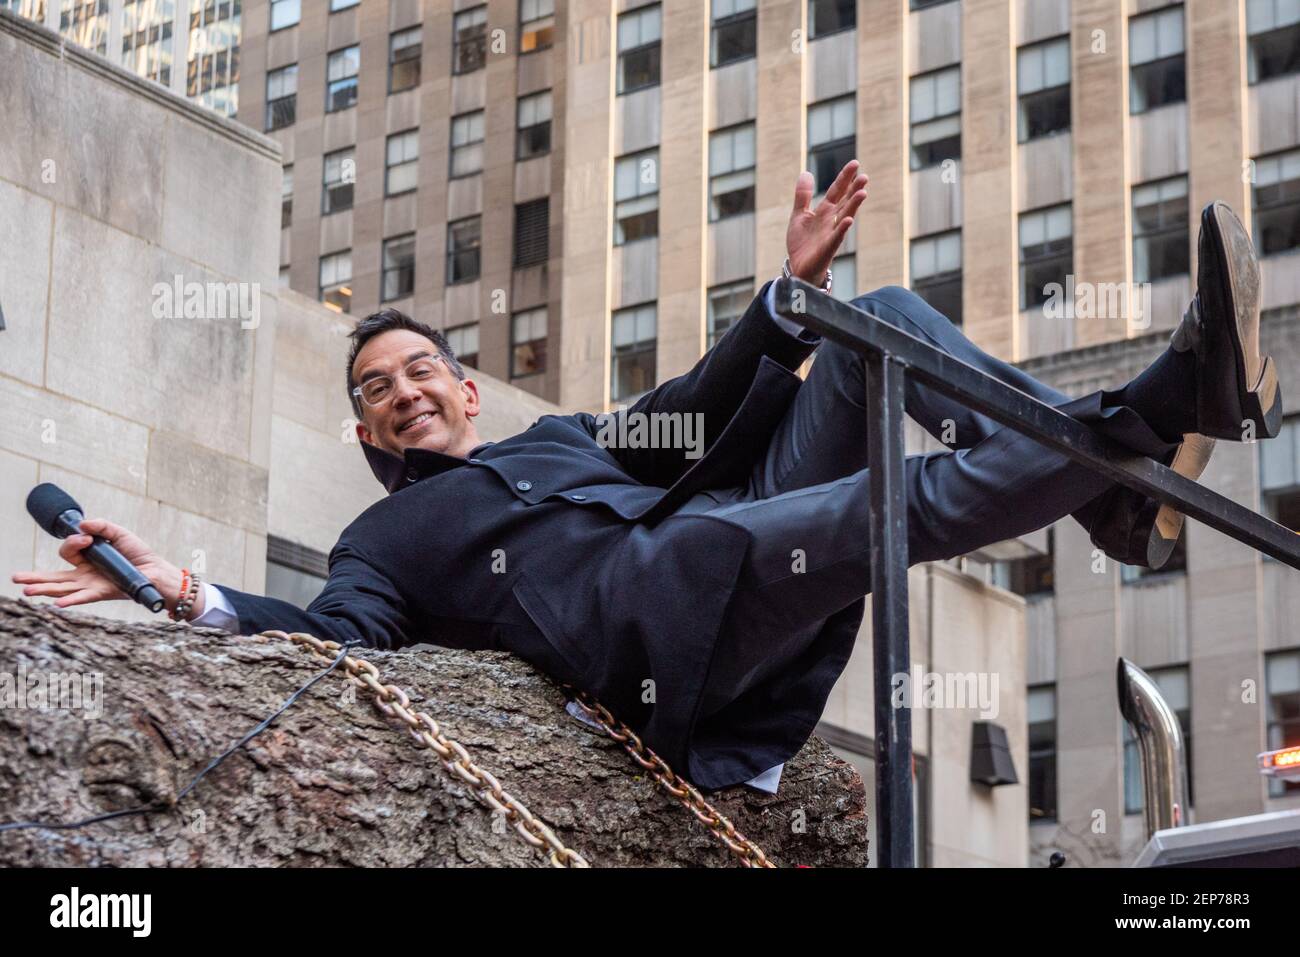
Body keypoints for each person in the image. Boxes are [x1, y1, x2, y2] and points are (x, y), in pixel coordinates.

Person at [13, 161, 1284, 793]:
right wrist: (191, 593)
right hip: (668, 629)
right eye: (375, 393)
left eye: (419, 371)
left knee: (871, 327)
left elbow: (690, 409)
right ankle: (1152, 422)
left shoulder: (555, 438)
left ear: (464, 389)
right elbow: (339, 643)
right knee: (890, 509)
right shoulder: (381, 546)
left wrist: (787, 296)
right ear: (372, 438)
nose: (401, 390)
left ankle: (1118, 487)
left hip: (722, 531)